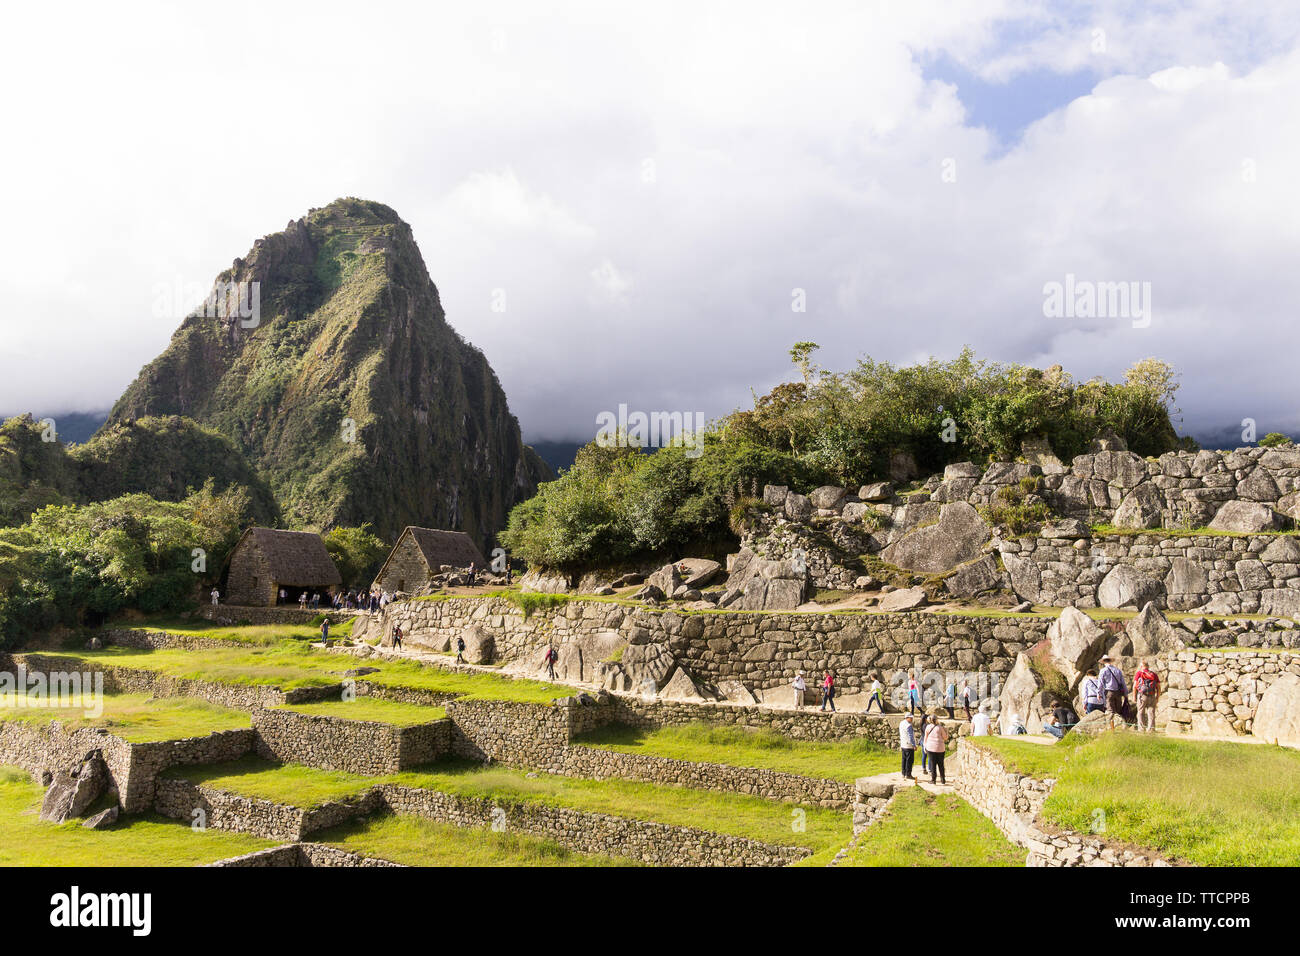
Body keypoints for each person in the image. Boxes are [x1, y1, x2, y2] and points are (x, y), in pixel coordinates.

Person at [1099, 655, 1128, 728]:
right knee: (1118, 710)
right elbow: (1123, 683)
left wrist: (1099, 693)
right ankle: (1121, 726)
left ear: (1104, 662)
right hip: (1118, 692)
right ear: (1110, 661)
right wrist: (1125, 693)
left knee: (1110, 710)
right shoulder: (1117, 670)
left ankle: (1111, 727)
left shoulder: (1103, 671)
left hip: (1109, 692)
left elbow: (1100, 683)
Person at [1134, 659, 1161, 732]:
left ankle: (1141, 729)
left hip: (1142, 696)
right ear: (1148, 666)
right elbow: (1158, 687)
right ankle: (1151, 730)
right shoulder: (1154, 674)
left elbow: (1135, 686)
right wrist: (1157, 697)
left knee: (1140, 712)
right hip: (1152, 696)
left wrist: (1134, 697)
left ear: (1142, 666)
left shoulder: (1139, 673)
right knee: (1151, 712)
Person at [924, 711, 949, 785]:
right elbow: (945, 738)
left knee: (933, 764)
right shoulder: (940, 728)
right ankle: (943, 779)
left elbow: (926, 738)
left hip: (931, 748)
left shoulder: (928, 727)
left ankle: (933, 780)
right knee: (941, 764)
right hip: (940, 748)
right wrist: (946, 732)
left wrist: (925, 746)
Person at [899, 713, 916, 780]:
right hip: (908, 745)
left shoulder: (901, 723)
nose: (912, 719)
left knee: (904, 759)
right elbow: (911, 736)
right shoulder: (908, 725)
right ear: (907, 718)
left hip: (903, 744)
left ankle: (903, 773)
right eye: (911, 718)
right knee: (909, 760)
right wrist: (914, 745)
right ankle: (908, 774)